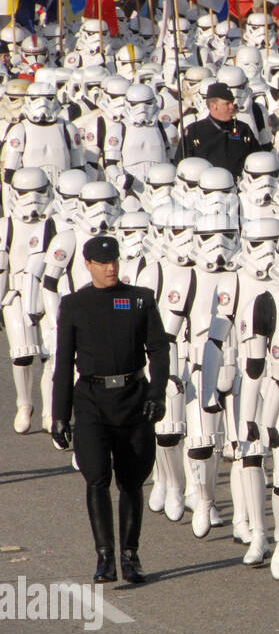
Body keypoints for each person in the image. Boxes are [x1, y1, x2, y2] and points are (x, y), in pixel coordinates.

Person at [50, 236, 168, 584]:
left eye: (114, 260)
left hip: (132, 398)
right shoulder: (74, 305)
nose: (111, 267)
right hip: (91, 401)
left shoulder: (139, 300)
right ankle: (105, 557)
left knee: (132, 481)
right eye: (102, 262)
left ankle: (130, 556)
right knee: (97, 477)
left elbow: (159, 350)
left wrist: (157, 394)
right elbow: (63, 362)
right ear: (87, 264)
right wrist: (60, 413)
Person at [184, 82, 259, 178]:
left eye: (232, 102)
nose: (232, 107)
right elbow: (183, 165)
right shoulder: (194, 132)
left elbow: (256, 159)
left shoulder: (243, 129)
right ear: (213, 106)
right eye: (227, 104)